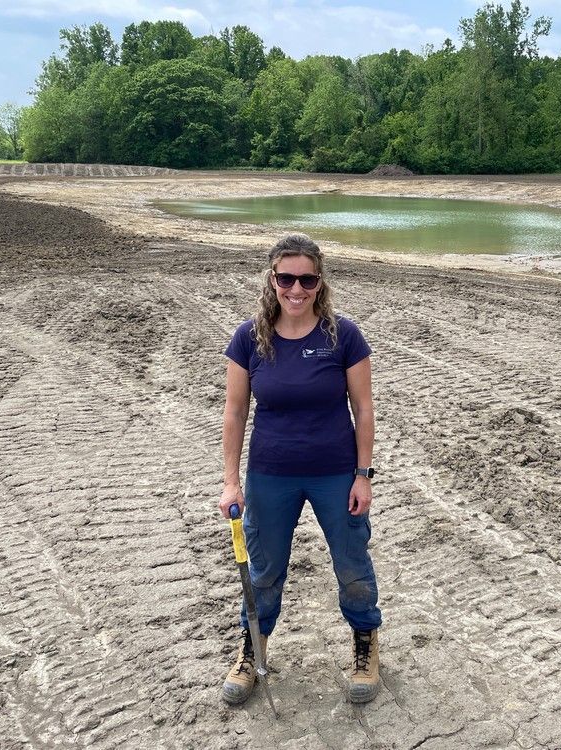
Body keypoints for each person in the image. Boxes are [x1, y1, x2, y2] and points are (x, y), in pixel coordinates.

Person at [218, 233, 381, 705]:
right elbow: (234, 412)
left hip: (335, 474)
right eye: (286, 277)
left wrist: (362, 475)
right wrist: (231, 482)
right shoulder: (249, 338)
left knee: (352, 565)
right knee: (264, 570)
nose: (296, 289)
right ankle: (253, 648)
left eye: (306, 279)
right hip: (270, 475)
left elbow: (364, 410)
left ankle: (366, 645)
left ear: (319, 282)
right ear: (272, 280)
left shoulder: (343, 335)